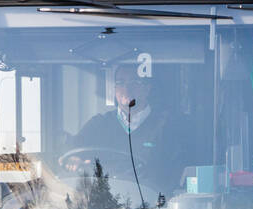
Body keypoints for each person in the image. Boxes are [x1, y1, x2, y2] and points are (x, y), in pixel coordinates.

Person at [62, 63, 182, 201]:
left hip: (151, 208)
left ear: (147, 88)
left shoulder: (167, 126)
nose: (126, 88)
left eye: (134, 82)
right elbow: (71, 150)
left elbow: (176, 174)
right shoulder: (98, 124)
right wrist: (74, 159)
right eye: (120, 83)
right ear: (114, 90)